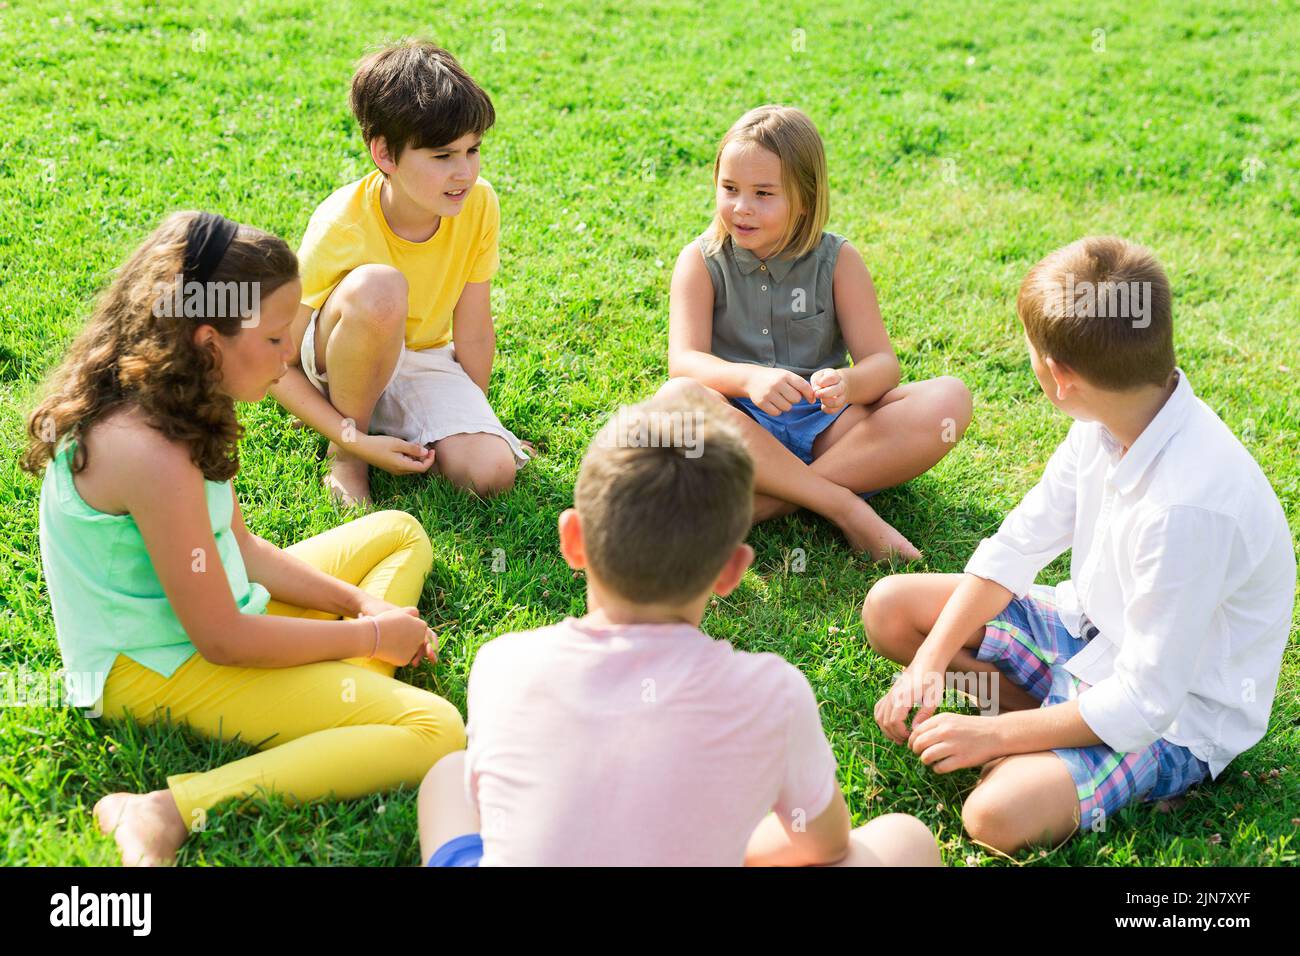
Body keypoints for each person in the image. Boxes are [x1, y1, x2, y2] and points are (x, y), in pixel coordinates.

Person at [23, 211, 464, 865]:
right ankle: (165, 809)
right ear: (208, 340)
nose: (289, 359)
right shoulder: (146, 451)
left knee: (400, 534)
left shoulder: (183, 389)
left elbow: (244, 549)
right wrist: (371, 637)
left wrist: (363, 606)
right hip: (154, 670)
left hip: (218, 613)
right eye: (276, 339)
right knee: (436, 729)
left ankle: (335, 693)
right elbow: (223, 638)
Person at [863, 236, 1296, 854]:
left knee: (994, 816)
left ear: (1059, 378)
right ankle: (1038, 729)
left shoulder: (1186, 508)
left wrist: (996, 738)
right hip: (1088, 634)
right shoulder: (1105, 423)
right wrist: (931, 660)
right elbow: (1016, 545)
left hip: (1174, 719)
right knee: (892, 610)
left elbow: (1148, 700)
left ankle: (1050, 747)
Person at [417, 397, 941, 866]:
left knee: (448, 777)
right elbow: (825, 845)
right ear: (732, 572)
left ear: (572, 540)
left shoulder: (502, 663)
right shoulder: (775, 693)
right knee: (903, 839)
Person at [657, 105, 971, 560]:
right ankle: (840, 503)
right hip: (738, 429)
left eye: (764, 193)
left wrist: (848, 383)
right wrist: (749, 380)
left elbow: (883, 366)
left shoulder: (838, 261)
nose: (742, 207)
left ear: (804, 197)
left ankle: (764, 504)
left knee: (950, 399)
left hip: (826, 427)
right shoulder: (701, 261)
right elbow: (684, 362)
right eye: (730, 189)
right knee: (676, 400)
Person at [272, 40, 530, 507]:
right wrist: (350, 437)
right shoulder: (341, 224)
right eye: (442, 156)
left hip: (421, 357)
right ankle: (347, 457)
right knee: (381, 288)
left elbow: (472, 328)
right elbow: (278, 361)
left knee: (492, 474)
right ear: (385, 155)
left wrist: (482, 419)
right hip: (341, 353)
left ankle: (392, 421)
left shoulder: (479, 204)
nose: (464, 174)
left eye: (473, 151)